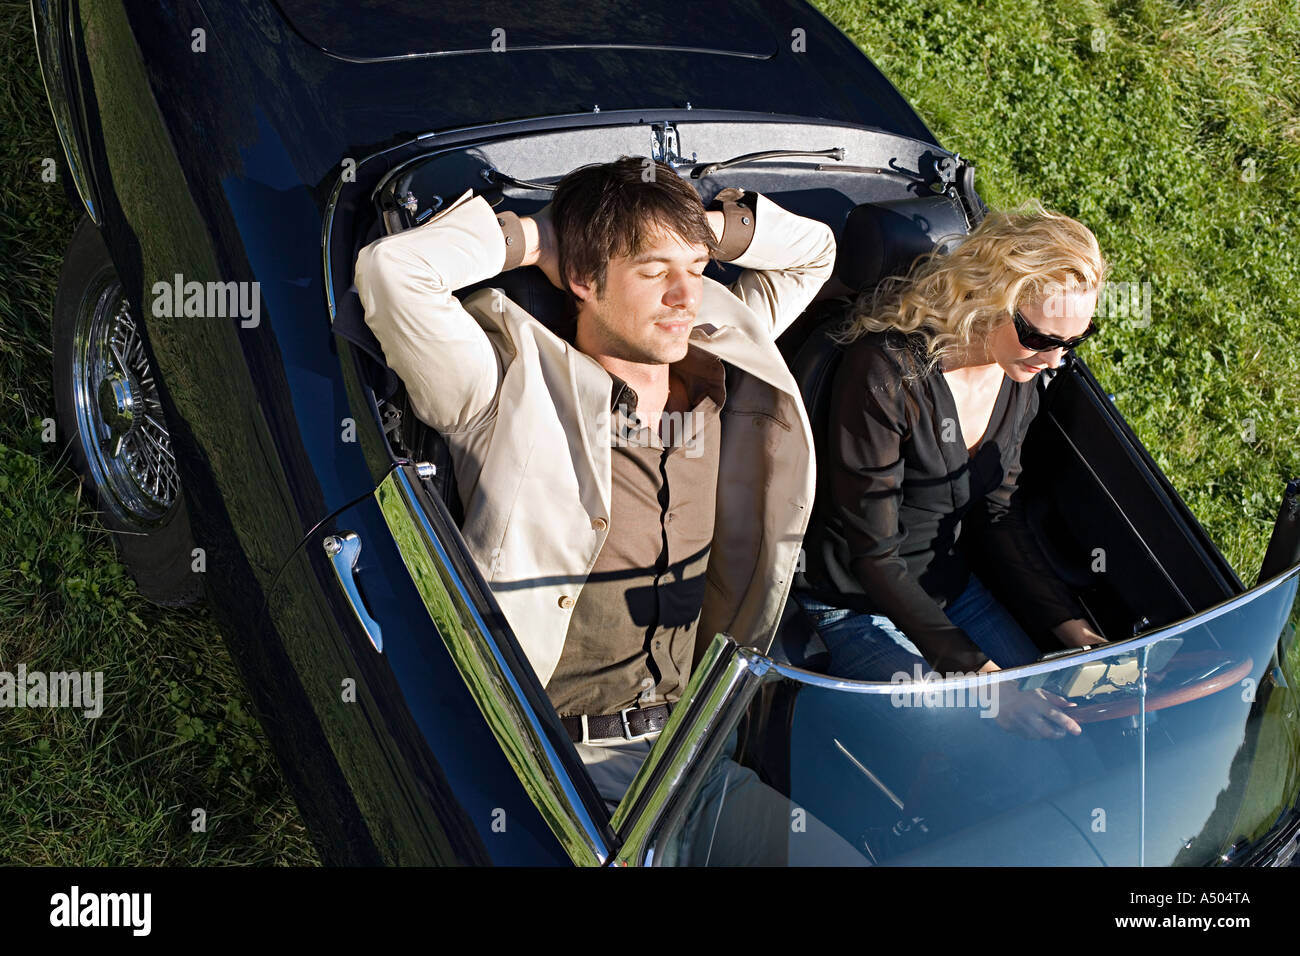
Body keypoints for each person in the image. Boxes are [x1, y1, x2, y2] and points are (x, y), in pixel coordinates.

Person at [354, 157, 833, 811]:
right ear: (583, 277)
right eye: (653, 271)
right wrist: (537, 237)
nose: (685, 297)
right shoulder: (503, 385)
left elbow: (815, 252)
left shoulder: (719, 345)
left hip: (698, 749)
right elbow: (393, 272)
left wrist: (689, 230)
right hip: (562, 769)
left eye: (695, 269)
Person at [795, 201, 1111, 740]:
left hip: (952, 591)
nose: (1054, 361)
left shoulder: (1020, 374)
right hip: (855, 606)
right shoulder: (887, 372)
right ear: (990, 295)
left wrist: (1071, 626)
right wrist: (983, 682)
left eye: (1072, 343)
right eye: (1040, 337)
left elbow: (997, 511)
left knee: (1061, 724)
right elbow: (874, 554)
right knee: (981, 740)